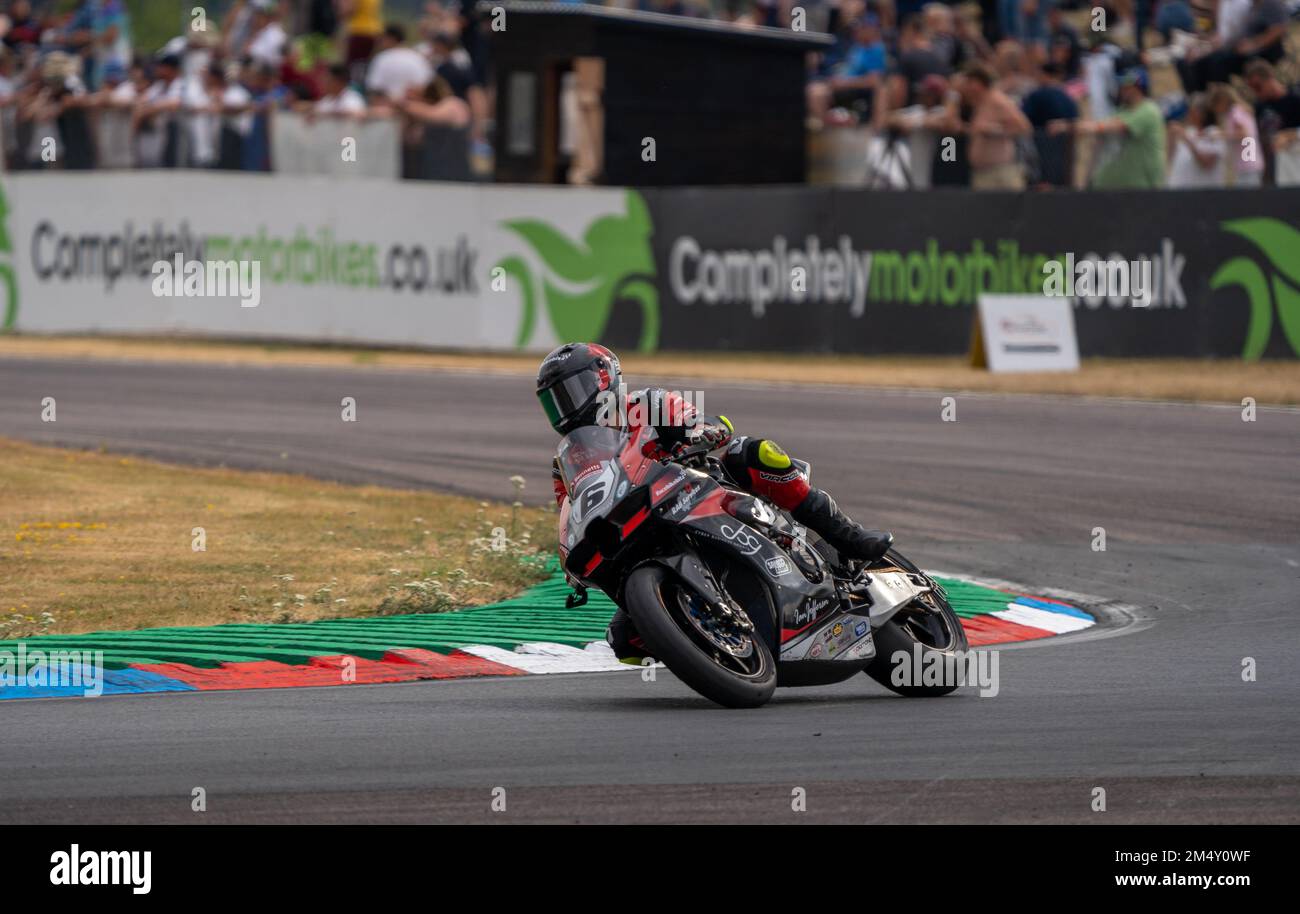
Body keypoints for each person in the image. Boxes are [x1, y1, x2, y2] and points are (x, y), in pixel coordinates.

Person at [536, 343, 894, 664]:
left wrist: (699, 434)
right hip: (646, 524)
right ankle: (709, 639)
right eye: (555, 400)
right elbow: (573, 508)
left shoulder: (645, 404)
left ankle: (848, 535)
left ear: (603, 379)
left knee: (755, 452)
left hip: (705, 489)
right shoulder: (568, 460)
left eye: (571, 391)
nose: (565, 406)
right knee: (624, 640)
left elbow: (708, 422)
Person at [1058, 67, 1165, 189]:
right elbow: (1100, 126)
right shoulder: (1122, 111)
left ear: (1138, 88)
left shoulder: (1148, 110)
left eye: (1127, 86)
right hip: (1112, 185)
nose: (1123, 89)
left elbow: (1111, 126)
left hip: (1141, 186)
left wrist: (1068, 126)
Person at [958, 60, 1031, 189]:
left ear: (980, 82)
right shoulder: (979, 103)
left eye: (970, 82)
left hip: (1000, 174)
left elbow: (1023, 127)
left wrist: (992, 130)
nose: (967, 86)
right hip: (983, 173)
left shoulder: (998, 101)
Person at [1166, 94, 1226, 187]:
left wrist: (1187, 139)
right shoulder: (1191, 131)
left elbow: (1207, 163)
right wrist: (1171, 137)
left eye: (1192, 111)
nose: (1188, 114)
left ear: (1202, 114)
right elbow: (1170, 158)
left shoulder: (1213, 133)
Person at [365, 23, 432, 103]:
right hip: (413, 106)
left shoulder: (382, 58)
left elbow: (374, 87)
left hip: (387, 106)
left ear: (390, 38)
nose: (381, 43)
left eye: (383, 39)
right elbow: (426, 84)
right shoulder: (417, 57)